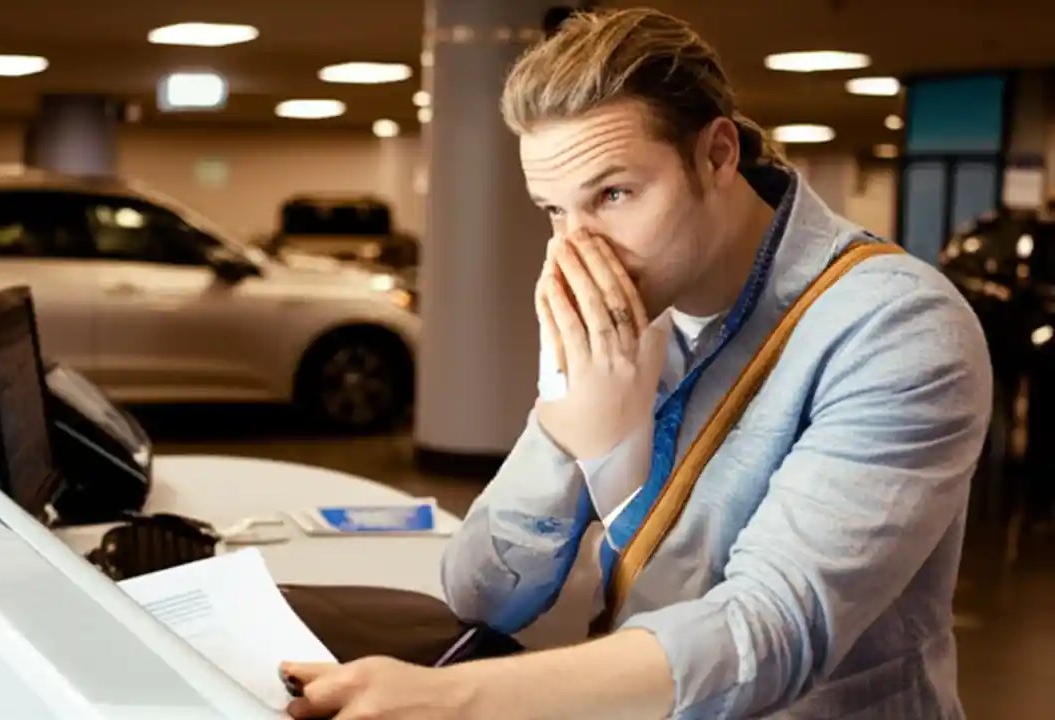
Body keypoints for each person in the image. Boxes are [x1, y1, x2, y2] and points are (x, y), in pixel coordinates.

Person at [280, 7, 991, 719]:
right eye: (554, 210)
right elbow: (482, 594)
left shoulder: (895, 327)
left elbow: (767, 636)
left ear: (717, 156)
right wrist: (564, 431)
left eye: (613, 194)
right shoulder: (627, 303)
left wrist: (457, 697)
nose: (581, 249)